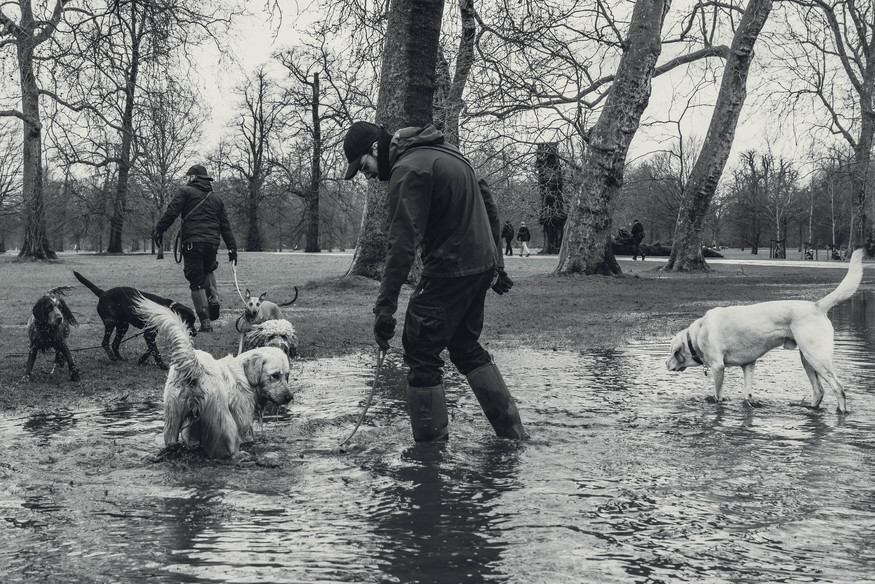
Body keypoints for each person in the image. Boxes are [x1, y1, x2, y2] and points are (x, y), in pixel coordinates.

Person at [342, 120, 526, 442]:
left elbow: (401, 244)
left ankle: (429, 456)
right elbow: (487, 199)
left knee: (420, 350)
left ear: (375, 149)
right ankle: (513, 435)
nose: (366, 175)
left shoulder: (408, 168)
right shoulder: (447, 152)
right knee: (464, 346)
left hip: (450, 266)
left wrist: (384, 309)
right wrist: (496, 265)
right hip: (479, 266)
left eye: (363, 166)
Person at [153, 164, 238, 332]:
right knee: (208, 270)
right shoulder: (216, 199)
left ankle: (205, 323)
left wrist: (160, 229)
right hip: (212, 244)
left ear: (193, 177)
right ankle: (213, 297)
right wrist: (232, 249)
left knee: (196, 282)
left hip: (193, 243)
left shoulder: (185, 192)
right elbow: (225, 226)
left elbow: (172, 212)